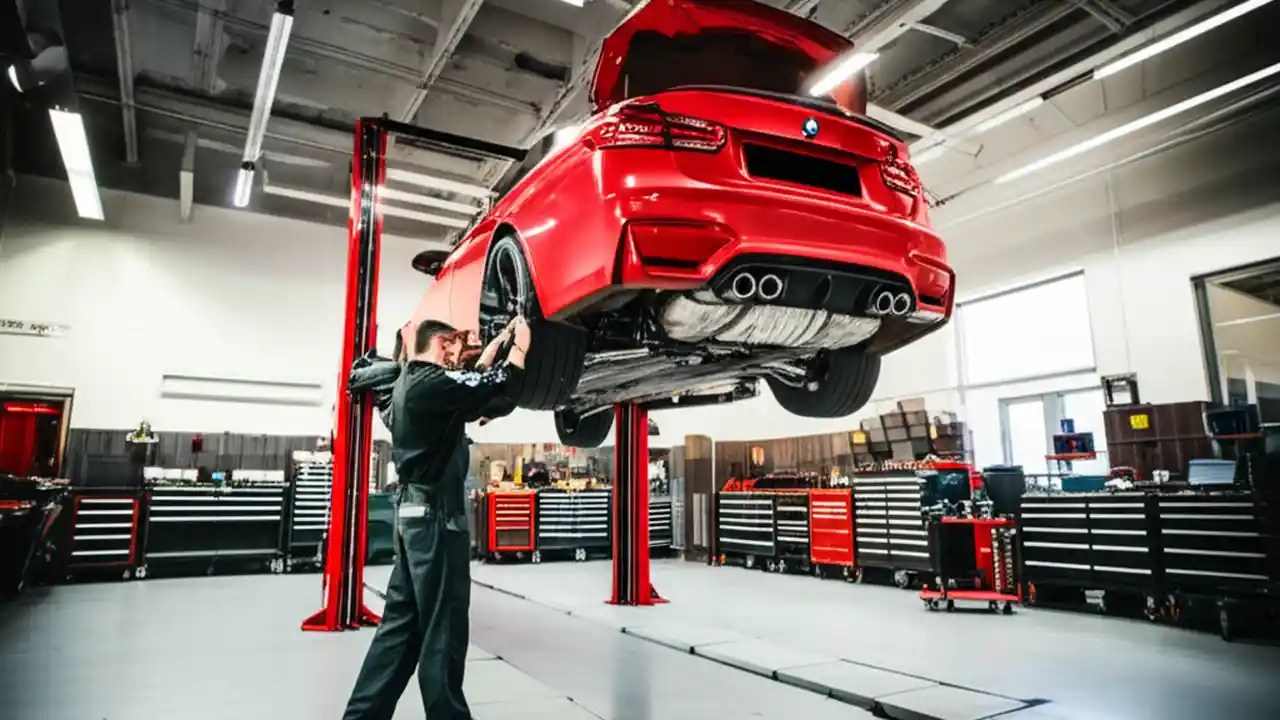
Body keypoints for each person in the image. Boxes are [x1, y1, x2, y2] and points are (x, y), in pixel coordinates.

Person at [342, 315, 530, 720]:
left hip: (413, 520)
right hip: (437, 523)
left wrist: (488, 356)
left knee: (400, 632)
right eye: (455, 346)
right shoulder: (433, 383)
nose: (459, 354)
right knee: (443, 633)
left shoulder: (409, 386)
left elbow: (471, 395)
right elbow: (505, 383)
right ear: (442, 344)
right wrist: (522, 345)